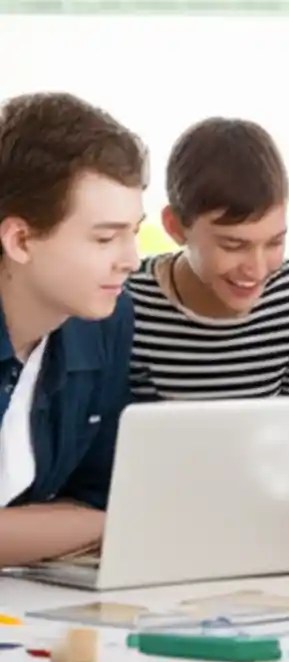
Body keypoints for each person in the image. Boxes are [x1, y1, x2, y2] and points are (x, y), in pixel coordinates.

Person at [0, 92, 145, 565]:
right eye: (105, 238)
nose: (131, 260)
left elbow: (103, 493)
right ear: (20, 240)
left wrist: (99, 520)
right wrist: (101, 526)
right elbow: (113, 518)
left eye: (134, 232)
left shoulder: (104, 319)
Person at [125, 117, 289, 401]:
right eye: (234, 245)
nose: (257, 270)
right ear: (175, 227)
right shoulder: (127, 302)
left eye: (275, 242)